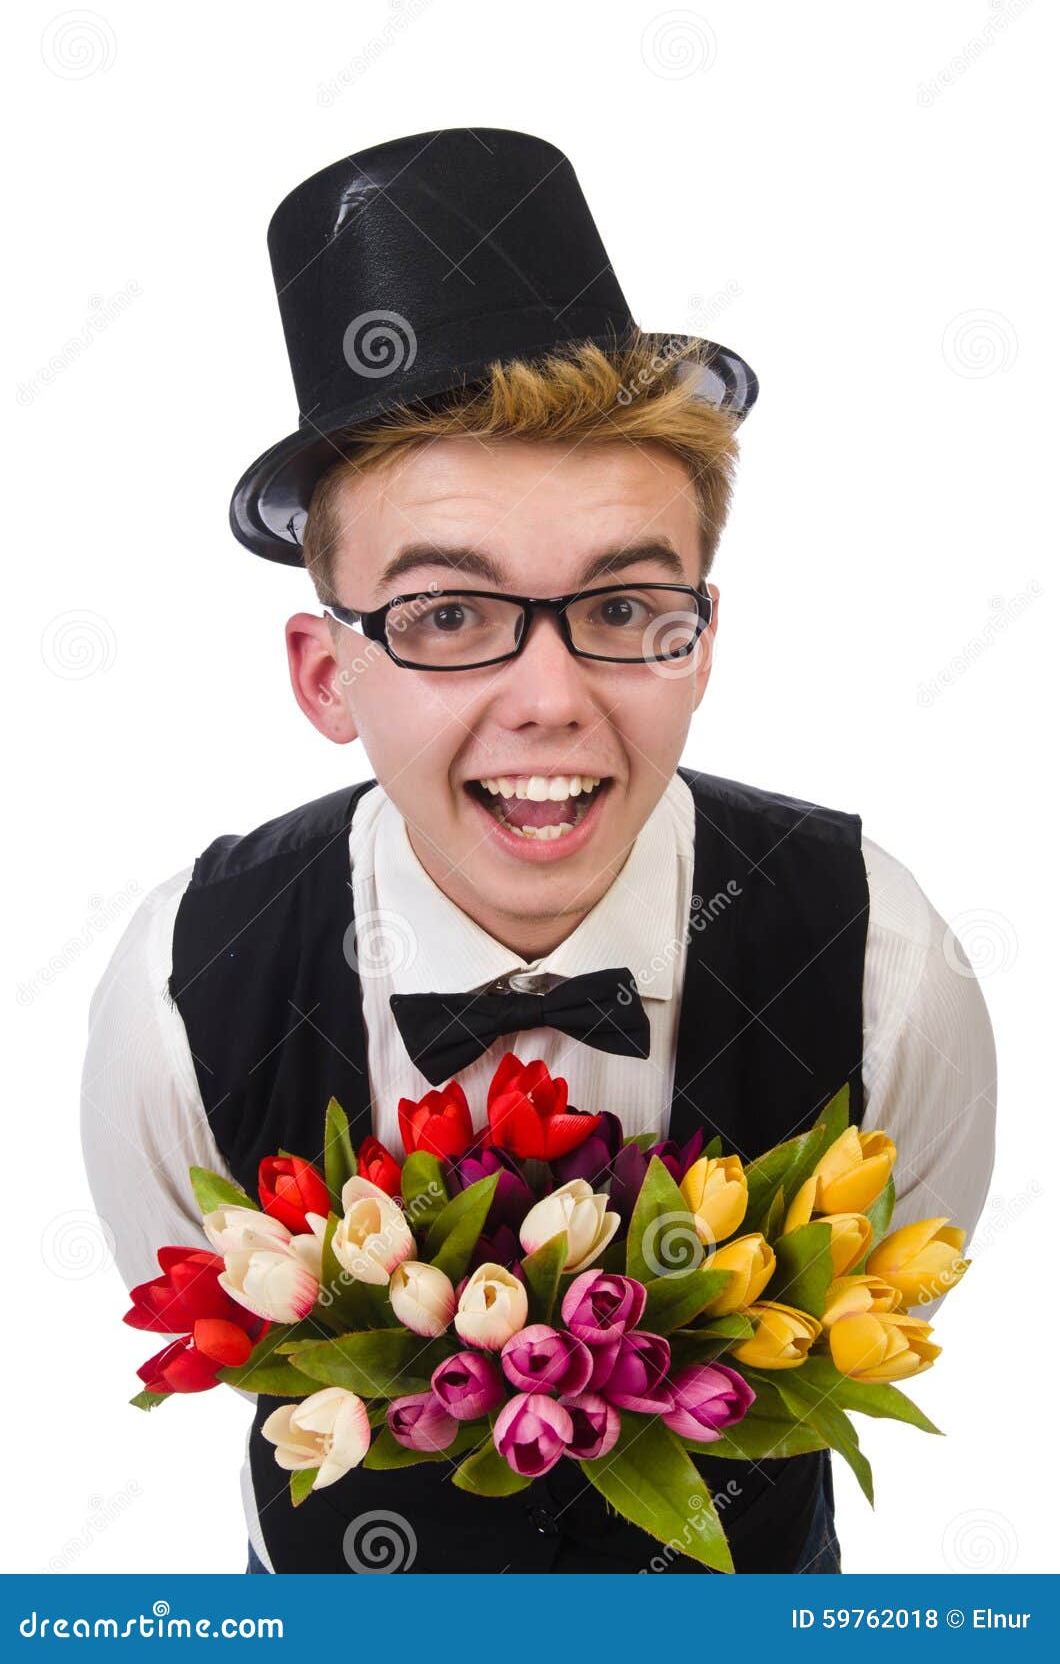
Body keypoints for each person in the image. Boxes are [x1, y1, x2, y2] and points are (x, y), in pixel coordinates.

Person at [81, 128, 996, 1575]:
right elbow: (207, 1315)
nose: (552, 698)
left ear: (702, 642)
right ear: (326, 676)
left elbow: (897, 1289)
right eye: (449, 615)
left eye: (625, 607)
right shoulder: (185, 985)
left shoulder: (880, 953)